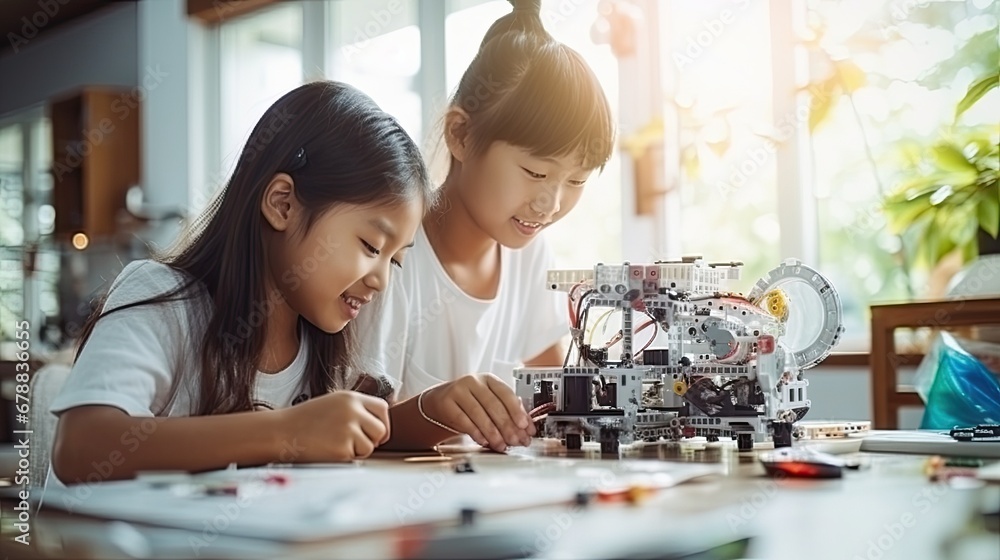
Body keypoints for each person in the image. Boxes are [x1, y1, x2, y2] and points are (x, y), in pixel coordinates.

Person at [48, 81, 535, 487]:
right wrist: (287, 432)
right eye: (370, 246)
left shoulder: (323, 340)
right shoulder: (161, 298)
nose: (382, 280)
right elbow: (83, 447)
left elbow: (358, 432)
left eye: (397, 261)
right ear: (282, 203)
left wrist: (434, 410)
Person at [354, 0, 615, 451]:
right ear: (460, 135)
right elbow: (352, 427)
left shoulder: (530, 253)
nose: (550, 203)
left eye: (575, 180)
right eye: (535, 172)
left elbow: (558, 400)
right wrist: (434, 410)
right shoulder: (392, 257)